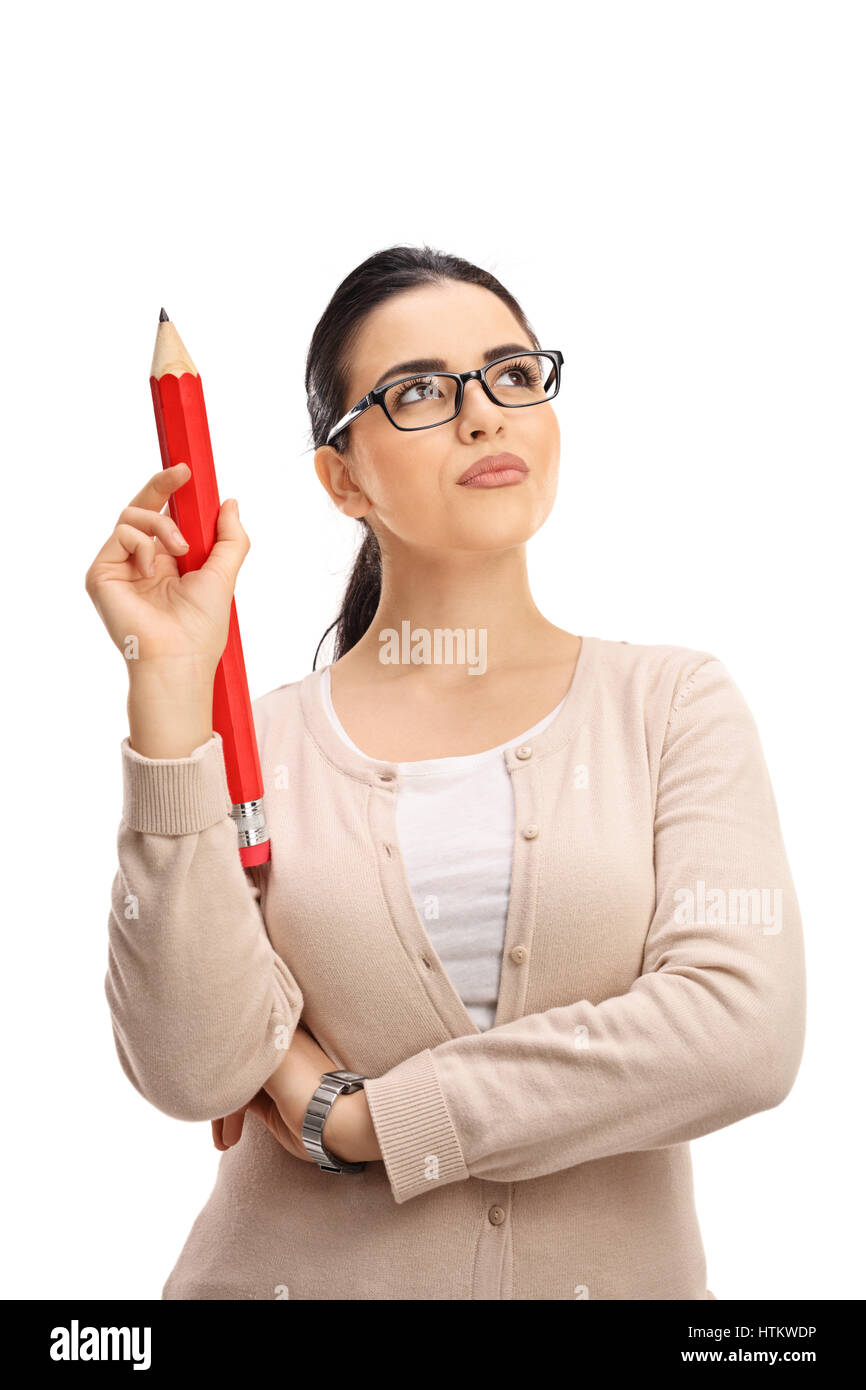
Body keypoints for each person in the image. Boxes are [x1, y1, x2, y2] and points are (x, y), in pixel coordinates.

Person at [85, 244, 806, 1300]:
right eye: (418, 390)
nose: (482, 414)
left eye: (512, 374)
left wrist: (368, 1116)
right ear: (340, 478)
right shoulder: (254, 749)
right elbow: (192, 1067)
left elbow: (740, 1032)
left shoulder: (669, 706)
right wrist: (169, 705)